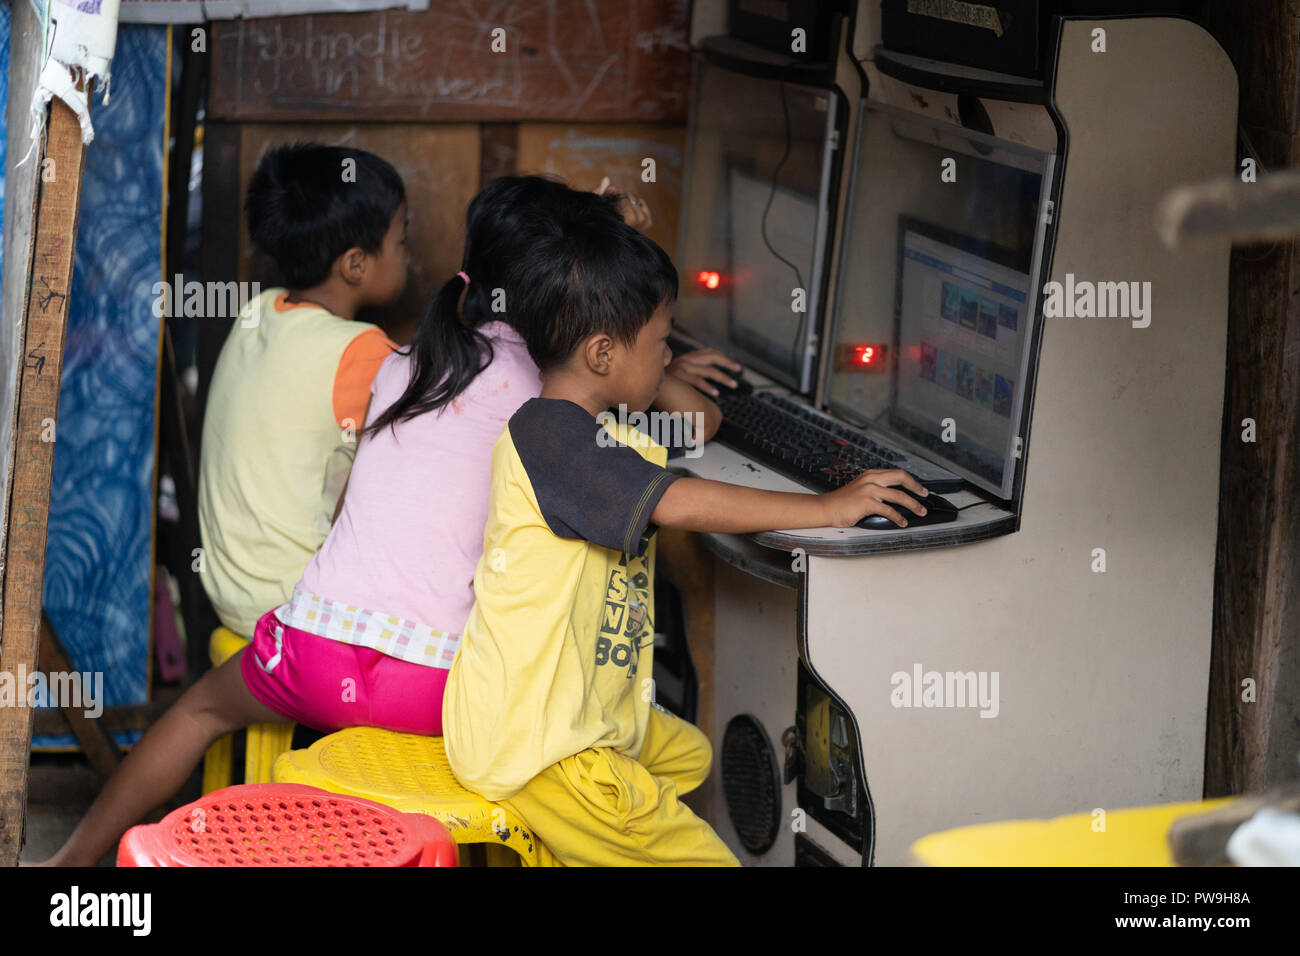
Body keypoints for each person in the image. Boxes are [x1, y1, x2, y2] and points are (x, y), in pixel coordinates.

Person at [31, 176, 729, 866]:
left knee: (198, 711)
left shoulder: (406, 363)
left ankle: (69, 861)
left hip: (313, 651)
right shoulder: (561, 397)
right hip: (439, 688)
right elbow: (698, 422)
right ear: (589, 303)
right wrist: (651, 336)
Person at [443, 205, 930, 867]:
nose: (671, 355)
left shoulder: (602, 430)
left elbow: (700, 422)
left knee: (690, 757)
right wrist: (828, 508)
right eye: (662, 341)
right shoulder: (549, 438)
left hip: (575, 717)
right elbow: (677, 501)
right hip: (544, 747)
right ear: (601, 353)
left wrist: (648, 364)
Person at [197, 142, 406, 640]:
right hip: (293, 608)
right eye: (403, 241)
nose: (409, 258)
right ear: (356, 265)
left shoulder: (258, 311)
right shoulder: (363, 350)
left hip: (228, 593)